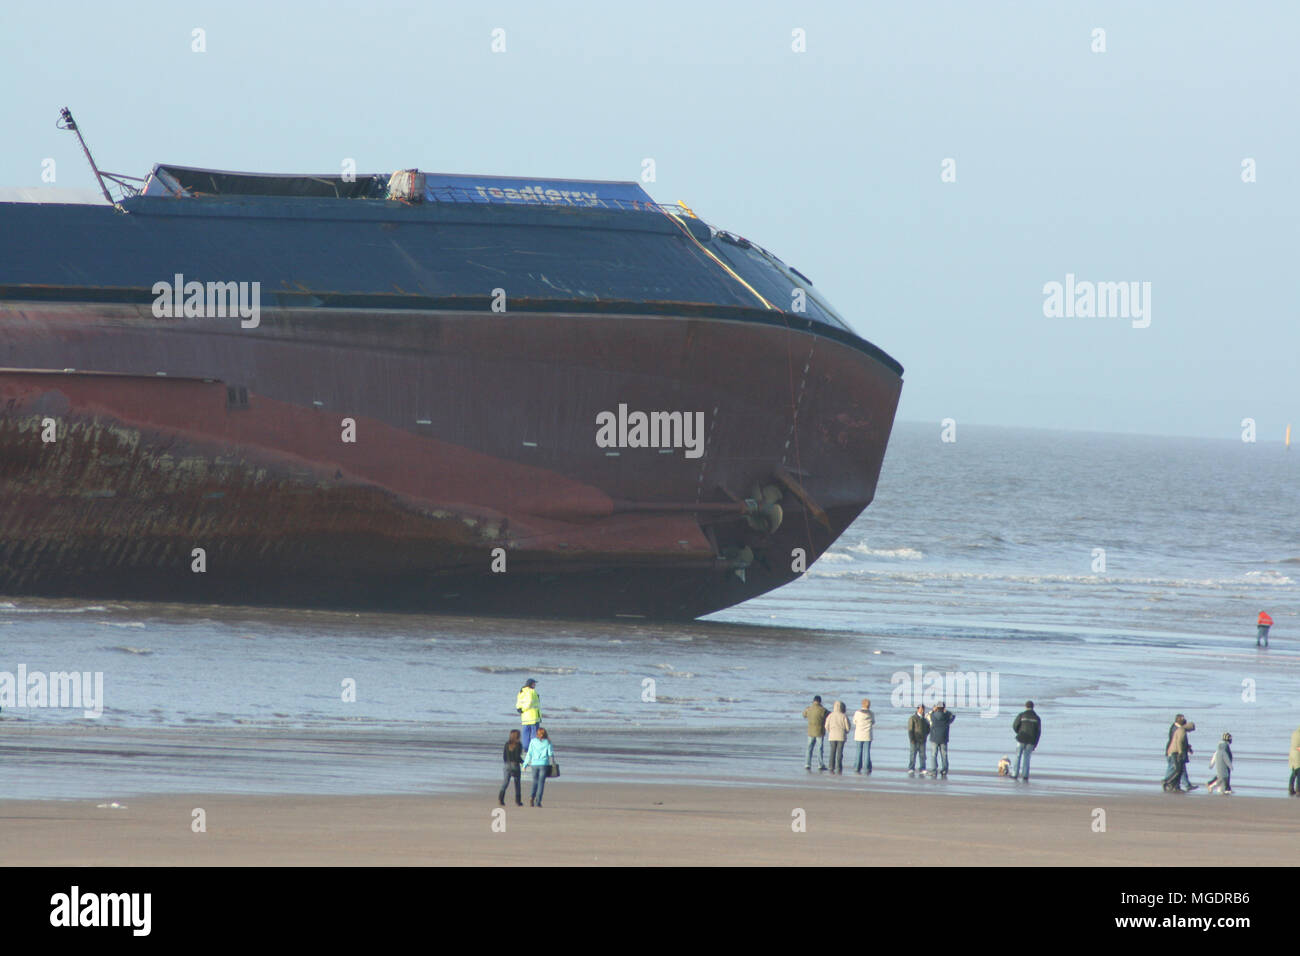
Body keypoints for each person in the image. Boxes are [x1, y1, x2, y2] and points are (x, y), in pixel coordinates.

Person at [522, 726, 554, 807]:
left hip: (534, 764)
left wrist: (525, 764)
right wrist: (552, 762)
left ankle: (532, 796)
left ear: (537, 734)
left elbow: (529, 754)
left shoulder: (533, 741)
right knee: (541, 783)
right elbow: (550, 754)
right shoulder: (548, 742)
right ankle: (538, 801)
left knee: (535, 781)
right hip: (544, 764)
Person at [1166, 714, 1198, 791]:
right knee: (1174, 769)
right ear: (1178, 719)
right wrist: (1180, 751)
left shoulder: (1180, 729)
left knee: (1180, 769)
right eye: (1183, 719)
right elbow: (1178, 741)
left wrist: (1187, 748)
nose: (1184, 720)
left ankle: (1185, 785)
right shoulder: (1177, 729)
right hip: (1174, 752)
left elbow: (1182, 741)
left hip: (1175, 751)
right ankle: (1168, 783)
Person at [1012, 701, 1041, 780]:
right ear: (1033, 707)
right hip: (1031, 740)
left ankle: (1015, 774)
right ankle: (1025, 775)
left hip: (1021, 738)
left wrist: (1019, 732)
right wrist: (1035, 744)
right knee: (1027, 758)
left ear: (1025, 706)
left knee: (1018, 756)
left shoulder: (1021, 715)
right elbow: (1038, 732)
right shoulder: (1037, 718)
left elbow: (1014, 725)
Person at [928, 702, 956, 778]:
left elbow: (927, 716)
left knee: (934, 754)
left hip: (934, 738)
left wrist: (933, 710)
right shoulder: (946, 716)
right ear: (943, 708)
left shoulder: (932, 715)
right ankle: (944, 770)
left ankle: (934, 770)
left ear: (937, 708)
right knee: (944, 755)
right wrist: (946, 711)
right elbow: (953, 716)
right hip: (944, 738)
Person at [498, 729, 524, 806]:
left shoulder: (507, 744)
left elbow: (504, 756)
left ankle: (501, 798)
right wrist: (523, 762)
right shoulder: (519, 744)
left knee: (505, 782)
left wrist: (506, 762)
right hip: (515, 765)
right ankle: (518, 801)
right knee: (517, 783)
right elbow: (517, 757)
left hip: (507, 764)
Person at [803, 695, 829, 771]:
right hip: (819, 731)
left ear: (813, 701)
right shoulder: (823, 710)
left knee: (809, 748)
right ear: (820, 701)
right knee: (819, 749)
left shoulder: (808, 709)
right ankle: (820, 764)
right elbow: (829, 715)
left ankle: (807, 763)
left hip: (810, 731)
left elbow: (804, 715)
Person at [824, 700, 850, 774]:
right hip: (841, 736)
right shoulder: (843, 716)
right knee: (839, 752)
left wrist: (830, 731)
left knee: (832, 752)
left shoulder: (830, 715)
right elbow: (847, 727)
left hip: (832, 736)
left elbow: (826, 726)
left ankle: (831, 766)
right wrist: (846, 732)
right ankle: (838, 766)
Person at [851, 698, 876, 774]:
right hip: (867, 735)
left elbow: (854, 722)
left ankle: (857, 767)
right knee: (867, 751)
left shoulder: (857, 713)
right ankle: (866, 767)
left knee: (858, 751)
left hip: (859, 734)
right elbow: (873, 722)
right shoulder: (871, 713)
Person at [516, 679, 541, 750]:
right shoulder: (532, 691)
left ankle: (526, 748)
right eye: (534, 683)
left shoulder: (521, 691)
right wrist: (524, 709)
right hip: (533, 717)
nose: (535, 685)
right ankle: (533, 749)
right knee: (534, 735)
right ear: (531, 684)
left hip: (525, 717)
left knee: (525, 734)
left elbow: (518, 703)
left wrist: (520, 709)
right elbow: (530, 702)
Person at [907, 704, 930, 775]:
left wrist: (925, 735)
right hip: (914, 740)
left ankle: (922, 768)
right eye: (921, 709)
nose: (922, 710)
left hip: (922, 740)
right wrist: (912, 739)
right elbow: (910, 729)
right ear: (918, 709)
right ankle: (911, 768)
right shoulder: (912, 718)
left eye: (923, 709)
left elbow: (928, 728)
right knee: (913, 755)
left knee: (922, 755)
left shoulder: (924, 719)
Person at [1289, 725, 1300, 796]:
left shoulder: (1294, 733)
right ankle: (1298, 789)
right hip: (1298, 755)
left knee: (1294, 772)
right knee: (1299, 773)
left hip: (1292, 754)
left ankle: (1291, 789)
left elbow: (1295, 745)